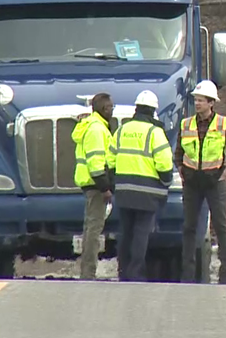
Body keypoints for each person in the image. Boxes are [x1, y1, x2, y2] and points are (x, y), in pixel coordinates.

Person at [175, 80, 226, 284]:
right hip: (192, 183)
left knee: (221, 226)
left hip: (215, 182)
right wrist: (183, 171)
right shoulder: (186, 124)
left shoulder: (223, 124)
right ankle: (187, 272)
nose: (197, 104)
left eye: (201, 100)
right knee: (189, 227)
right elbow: (178, 154)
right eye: (196, 100)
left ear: (211, 103)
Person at [107, 90, 174, 282]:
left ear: (136, 109)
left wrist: (115, 182)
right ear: (153, 110)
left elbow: (110, 160)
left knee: (126, 231)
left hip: (124, 191)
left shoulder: (122, 130)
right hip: (148, 191)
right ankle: (135, 273)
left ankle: (123, 271)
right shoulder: (155, 132)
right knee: (141, 233)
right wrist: (166, 182)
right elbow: (164, 163)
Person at [72, 92, 115, 280]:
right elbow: (96, 163)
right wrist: (105, 187)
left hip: (90, 184)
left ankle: (87, 271)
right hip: (95, 185)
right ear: (103, 109)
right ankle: (88, 273)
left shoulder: (93, 126)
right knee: (94, 229)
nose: (112, 110)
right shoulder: (97, 129)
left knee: (90, 227)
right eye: (110, 107)